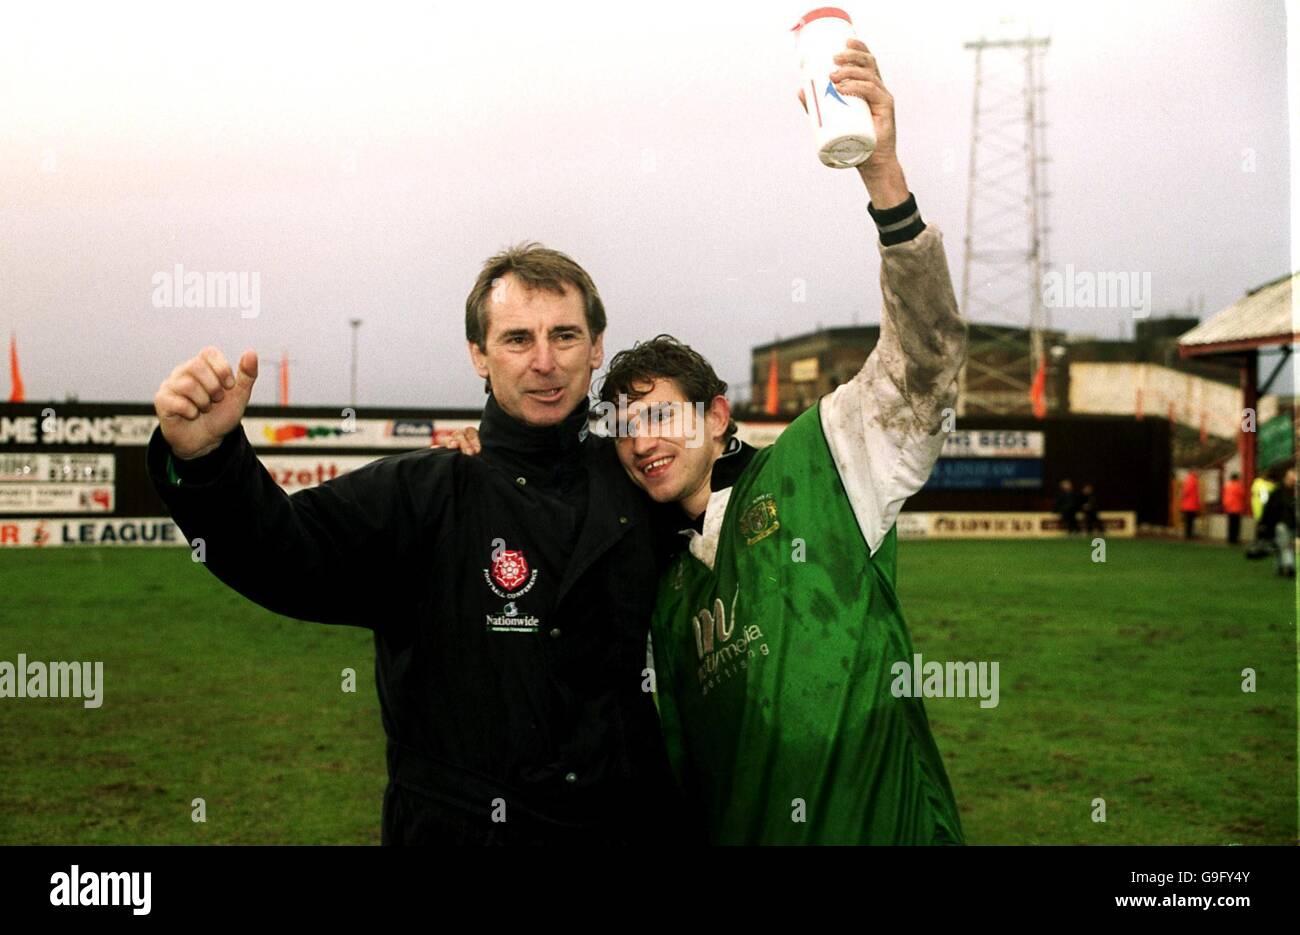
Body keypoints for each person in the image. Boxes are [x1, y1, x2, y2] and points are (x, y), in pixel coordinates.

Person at [444, 37, 966, 843]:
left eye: (663, 415)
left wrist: (883, 175)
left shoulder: (821, 468)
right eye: (625, 425)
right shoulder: (660, 581)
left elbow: (923, 363)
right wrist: (486, 461)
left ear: (718, 416)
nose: (643, 441)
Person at [148, 245, 688, 845]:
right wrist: (205, 461)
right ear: (478, 356)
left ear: (596, 348)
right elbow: (282, 550)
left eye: (564, 336)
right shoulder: (421, 495)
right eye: (516, 340)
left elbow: (756, 501)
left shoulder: (644, 485)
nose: (544, 362)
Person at [1259, 466, 1296, 577]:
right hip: (1281, 524)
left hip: (1289, 524)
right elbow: (1269, 508)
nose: (1293, 481)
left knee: (1280, 546)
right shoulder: (1278, 492)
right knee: (1285, 546)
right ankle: (1289, 567)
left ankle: (1279, 567)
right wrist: (1263, 523)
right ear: (1286, 478)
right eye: (1291, 478)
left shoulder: (1281, 491)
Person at [1221, 471, 1248, 546]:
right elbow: (1242, 494)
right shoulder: (1238, 485)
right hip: (1237, 507)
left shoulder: (1227, 485)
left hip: (1229, 507)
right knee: (1236, 525)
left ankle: (1230, 538)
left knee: (1230, 524)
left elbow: (1224, 495)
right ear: (1237, 478)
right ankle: (1235, 539)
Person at [1180, 470, 1202, 539]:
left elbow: (1185, 492)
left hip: (1188, 504)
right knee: (1190, 521)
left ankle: (1188, 534)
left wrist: (1182, 497)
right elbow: (1195, 494)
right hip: (1192, 505)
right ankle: (1189, 535)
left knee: (1188, 521)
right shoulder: (1194, 480)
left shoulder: (1189, 480)